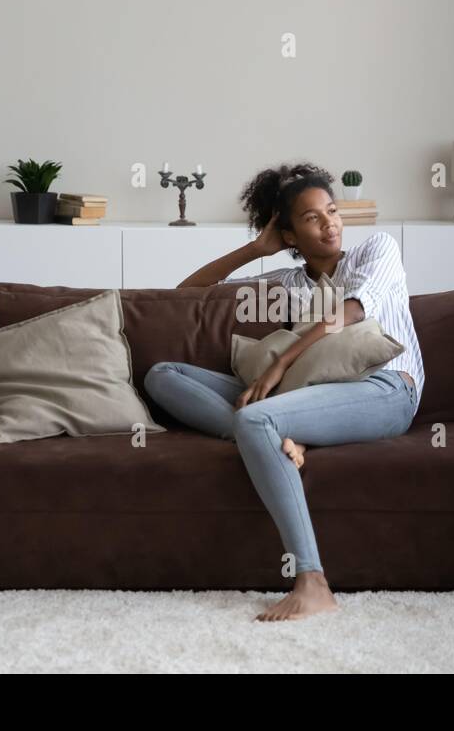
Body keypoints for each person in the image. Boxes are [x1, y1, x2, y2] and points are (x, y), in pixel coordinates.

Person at [143, 162, 425, 621]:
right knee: (162, 375)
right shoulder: (285, 284)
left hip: (385, 389)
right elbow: (184, 294)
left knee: (257, 416)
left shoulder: (377, 250)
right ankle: (276, 442)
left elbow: (352, 312)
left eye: (331, 210)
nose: (329, 222)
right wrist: (255, 249)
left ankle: (312, 582)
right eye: (311, 217)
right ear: (289, 235)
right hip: (310, 394)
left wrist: (279, 363)